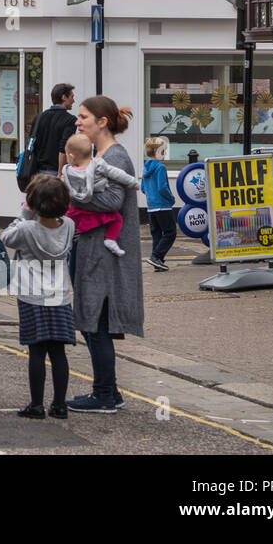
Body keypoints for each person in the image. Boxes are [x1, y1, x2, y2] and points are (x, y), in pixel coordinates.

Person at [66, 95, 142, 414]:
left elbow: (112, 200)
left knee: (94, 322)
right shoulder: (100, 154)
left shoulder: (116, 156)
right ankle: (110, 390)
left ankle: (104, 395)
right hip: (92, 246)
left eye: (83, 117)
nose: (77, 121)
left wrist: (69, 194)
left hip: (103, 251)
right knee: (91, 320)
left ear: (102, 122)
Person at [3, 175, 76, 420]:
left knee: (36, 352)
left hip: (32, 296)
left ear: (32, 202)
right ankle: (60, 405)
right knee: (58, 353)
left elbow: (6, 237)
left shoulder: (25, 229)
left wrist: (25, 213)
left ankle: (36, 405)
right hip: (60, 296)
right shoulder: (69, 226)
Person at [60, 132, 139, 258]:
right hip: (97, 207)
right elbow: (118, 174)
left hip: (76, 210)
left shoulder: (67, 172)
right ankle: (110, 239)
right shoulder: (98, 165)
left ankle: (64, 245)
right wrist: (133, 183)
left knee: (66, 225)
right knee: (117, 219)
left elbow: (60, 189)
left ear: (71, 156)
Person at [28, 83, 78, 180]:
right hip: (55, 172)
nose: (73, 101)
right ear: (64, 97)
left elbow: (31, 144)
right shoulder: (70, 120)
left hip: (36, 174)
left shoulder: (38, 117)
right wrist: (60, 174)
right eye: (72, 97)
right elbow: (63, 148)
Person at [142, 137, 176, 271]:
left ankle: (158, 262)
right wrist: (171, 198)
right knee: (170, 233)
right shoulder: (161, 167)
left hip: (151, 207)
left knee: (157, 235)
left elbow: (143, 188)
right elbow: (162, 187)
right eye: (164, 150)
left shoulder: (146, 167)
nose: (165, 153)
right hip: (163, 206)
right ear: (157, 151)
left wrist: (152, 197)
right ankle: (156, 256)